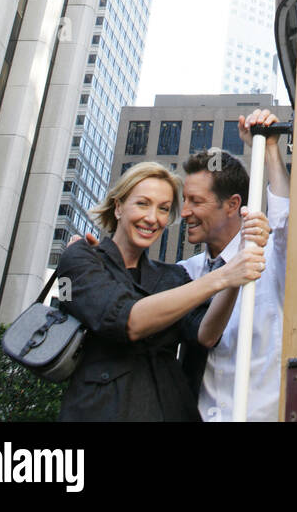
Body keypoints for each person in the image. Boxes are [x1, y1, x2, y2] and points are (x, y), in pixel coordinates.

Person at [56, 160, 266, 422]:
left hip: (168, 409)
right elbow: (128, 320)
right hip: (100, 411)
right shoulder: (82, 259)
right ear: (119, 206)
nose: (152, 218)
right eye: (143, 204)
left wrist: (237, 266)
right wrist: (222, 276)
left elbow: (206, 334)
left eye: (164, 209)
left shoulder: (174, 276)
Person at [179, 107, 289, 422]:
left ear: (233, 205)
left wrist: (268, 148)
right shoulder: (186, 273)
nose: (184, 212)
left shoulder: (271, 258)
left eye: (196, 201)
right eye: (184, 200)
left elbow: (285, 220)